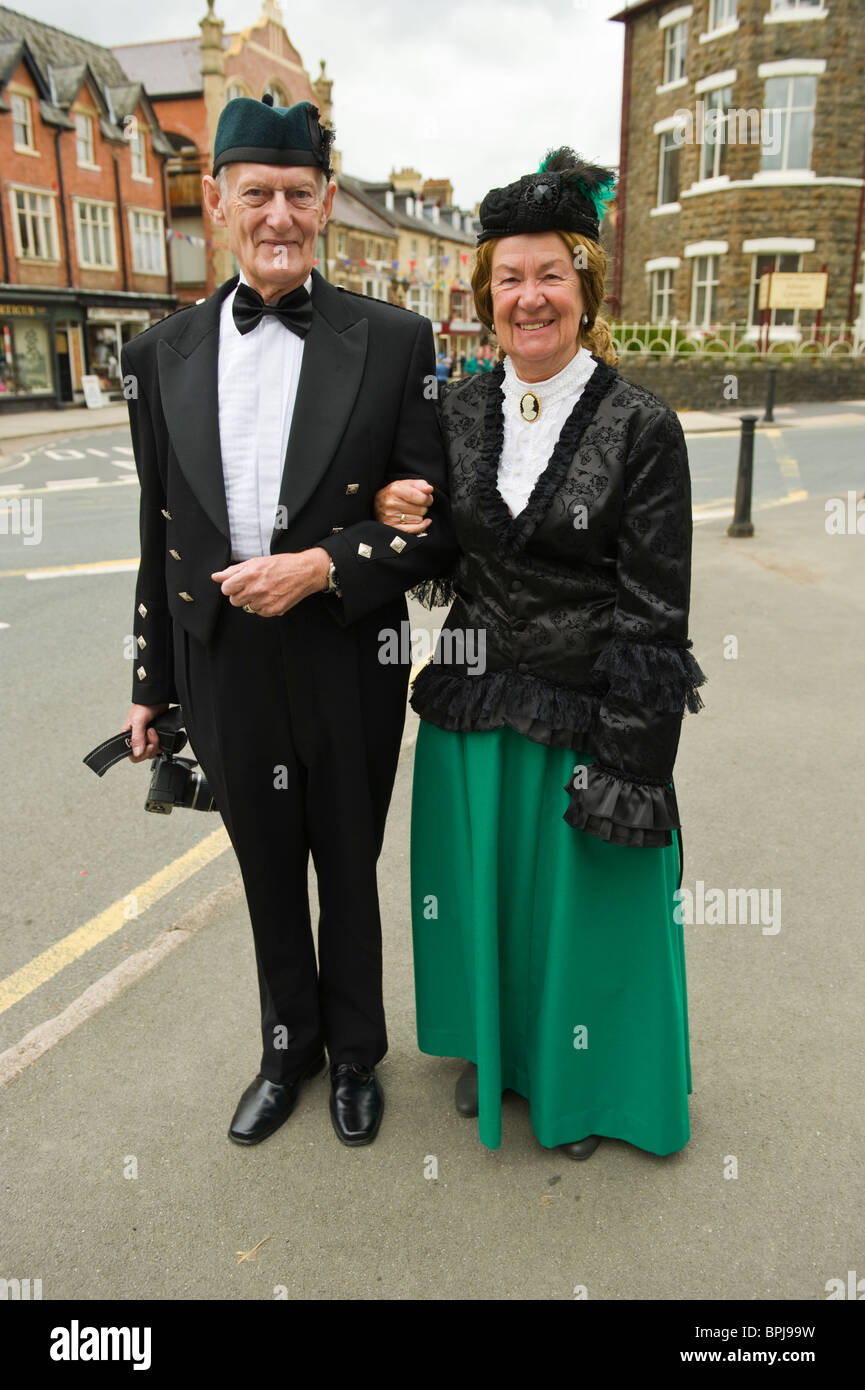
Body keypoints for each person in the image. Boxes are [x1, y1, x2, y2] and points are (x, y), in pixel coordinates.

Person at [119, 95, 456, 1149]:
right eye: (255, 193)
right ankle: (286, 1046)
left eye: (298, 195)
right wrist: (149, 680)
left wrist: (326, 563)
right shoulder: (155, 352)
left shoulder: (397, 339)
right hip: (219, 660)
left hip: (348, 651)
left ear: (325, 207)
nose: (277, 215)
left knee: (346, 862)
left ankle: (357, 1052)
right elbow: (156, 525)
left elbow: (439, 529)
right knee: (264, 866)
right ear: (218, 202)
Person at [375, 147, 706, 1161]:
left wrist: (630, 764)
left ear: (584, 286)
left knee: (582, 914)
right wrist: (395, 512)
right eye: (507, 278)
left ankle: (578, 1077)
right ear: (484, 295)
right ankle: (500, 1048)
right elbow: (448, 547)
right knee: (488, 902)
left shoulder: (642, 426)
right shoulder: (458, 407)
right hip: (474, 707)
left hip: (584, 712)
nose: (528, 299)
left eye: (548, 276)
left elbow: (656, 609)